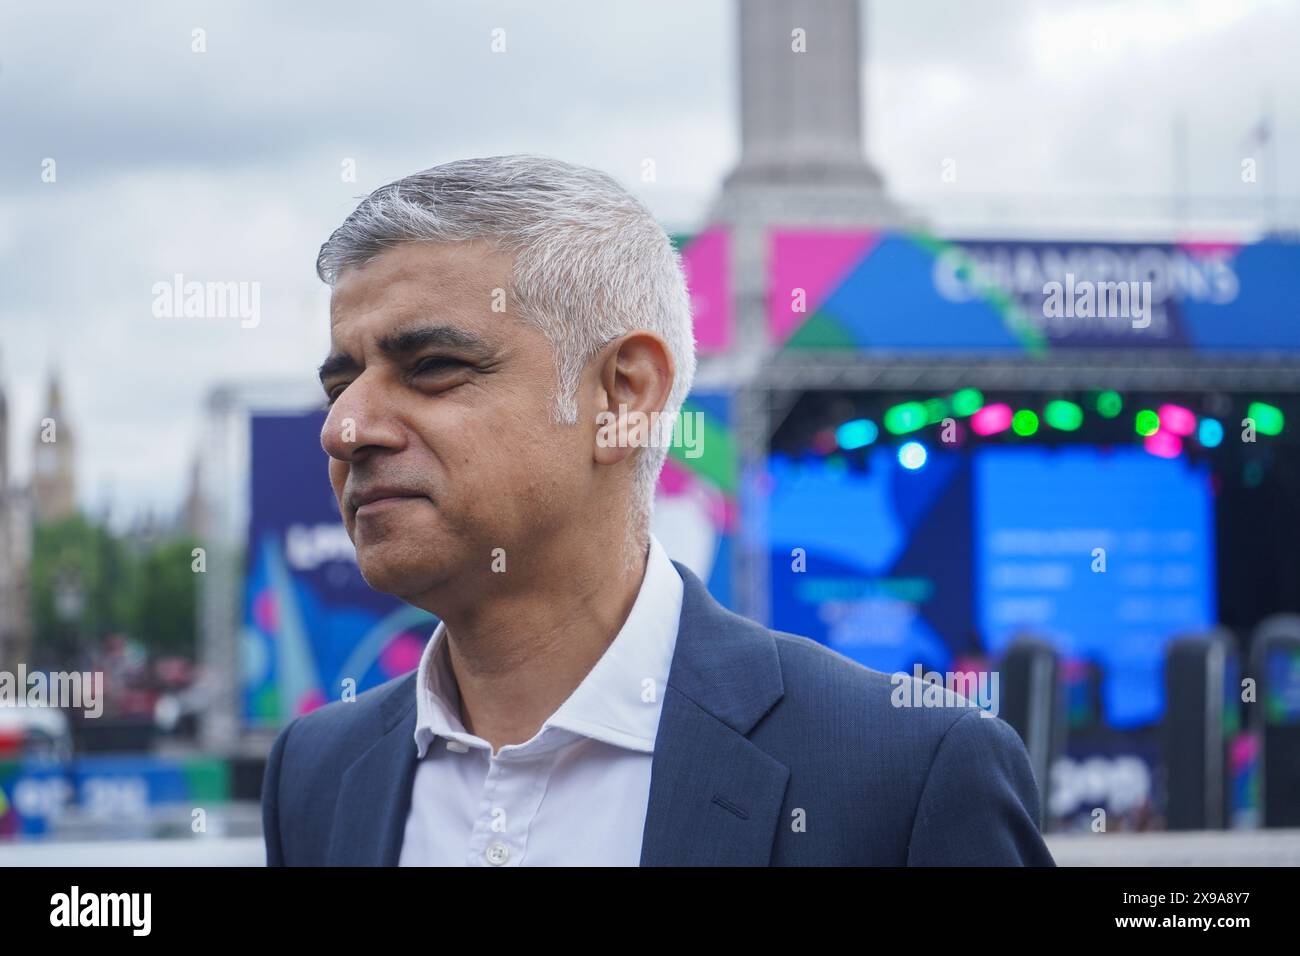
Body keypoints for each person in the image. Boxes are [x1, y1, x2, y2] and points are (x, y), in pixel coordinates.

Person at [261, 154, 1055, 866]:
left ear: (624, 395)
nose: (345, 428)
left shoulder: (907, 774)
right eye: (340, 386)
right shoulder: (315, 773)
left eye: (432, 366)